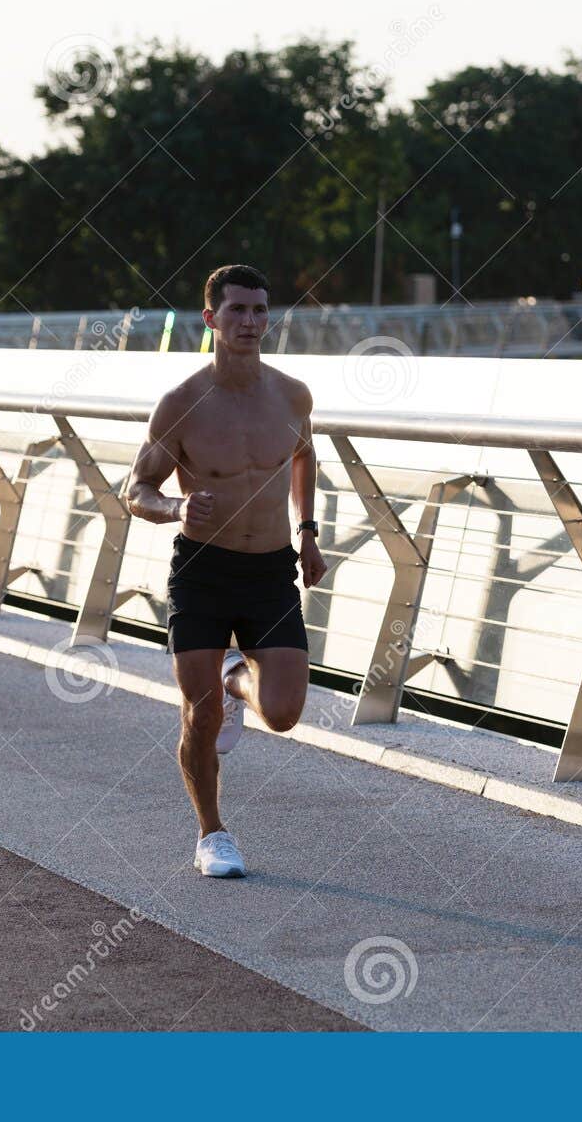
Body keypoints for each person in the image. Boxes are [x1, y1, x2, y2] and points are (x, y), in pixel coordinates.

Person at [125, 264, 328, 878]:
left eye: (260, 310)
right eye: (236, 310)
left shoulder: (292, 394)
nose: (250, 322)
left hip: (270, 569)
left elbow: (303, 454)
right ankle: (212, 834)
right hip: (204, 571)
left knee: (286, 713)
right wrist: (176, 506)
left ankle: (240, 677)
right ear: (210, 318)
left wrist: (308, 531)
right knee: (199, 711)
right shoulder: (183, 404)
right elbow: (135, 489)